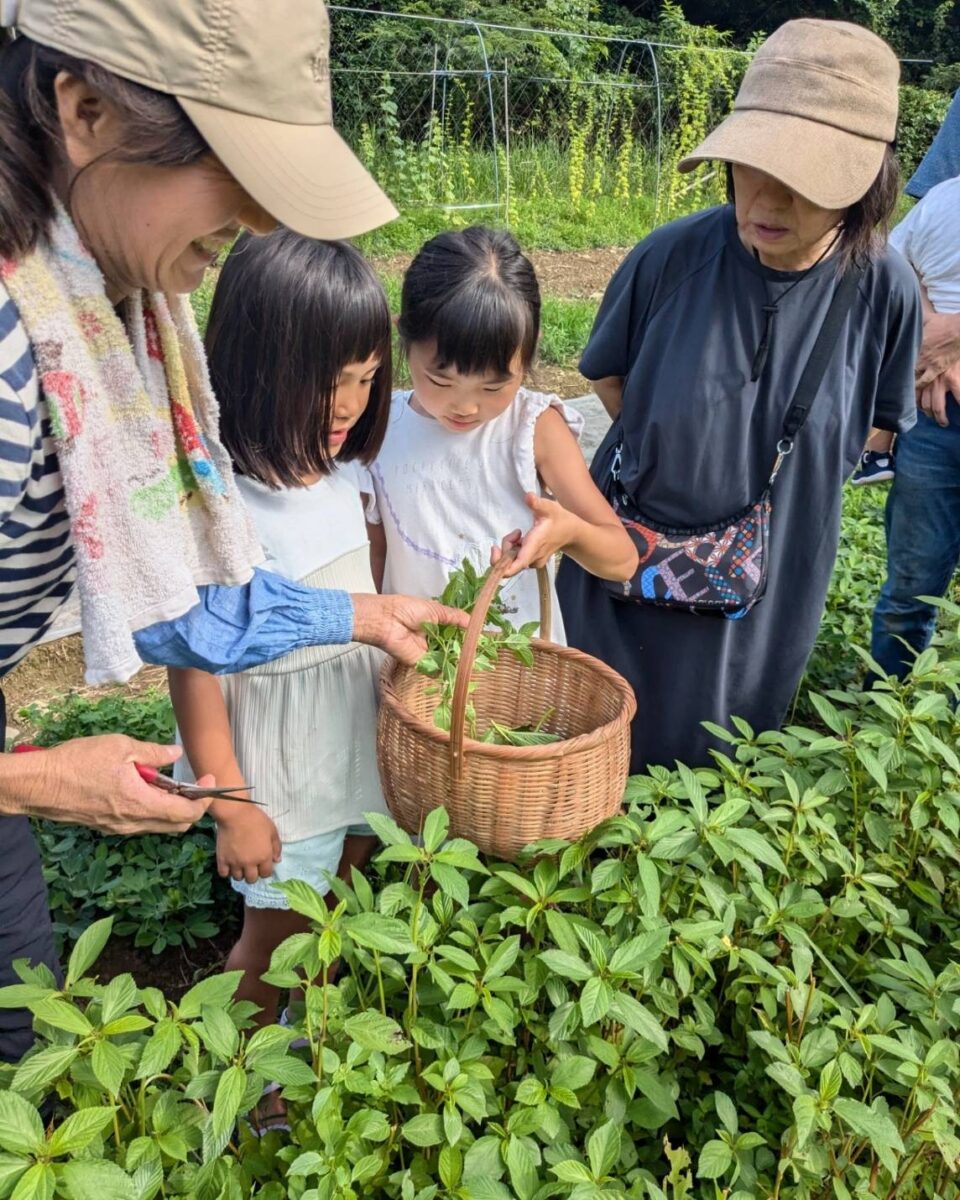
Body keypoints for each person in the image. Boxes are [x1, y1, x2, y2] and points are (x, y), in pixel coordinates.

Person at [0, 0, 465, 1065]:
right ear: (84, 109)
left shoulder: (102, 308)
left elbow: (190, 607)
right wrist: (37, 778)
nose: (259, 220)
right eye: (236, 166)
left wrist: (364, 611)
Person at [557, 18, 921, 773]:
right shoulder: (669, 257)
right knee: (588, 769)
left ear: (866, 184)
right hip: (628, 574)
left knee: (724, 779)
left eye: (805, 179)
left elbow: (879, 425)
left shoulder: (882, 290)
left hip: (766, 594)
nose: (767, 196)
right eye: (753, 163)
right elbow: (609, 377)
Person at [171, 230, 390, 1026]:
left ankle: (308, 1042)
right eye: (330, 382)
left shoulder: (345, 472)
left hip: (352, 742)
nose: (348, 405)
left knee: (334, 904)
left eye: (367, 379)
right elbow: (192, 667)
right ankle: (247, 1070)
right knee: (272, 936)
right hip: (278, 768)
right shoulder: (222, 505)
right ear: (258, 366)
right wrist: (230, 803)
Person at [361, 227, 637, 642]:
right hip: (416, 671)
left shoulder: (534, 427)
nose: (466, 406)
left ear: (527, 353)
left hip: (518, 678)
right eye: (440, 379)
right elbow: (375, 564)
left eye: (493, 387)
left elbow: (622, 559)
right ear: (403, 338)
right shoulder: (381, 428)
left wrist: (570, 533)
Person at [870, 175, 960, 677]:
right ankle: (885, 708)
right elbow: (893, 261)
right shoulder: (948, 196)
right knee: (911, 584)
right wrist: (929, 330)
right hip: (935, 419)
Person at [849, 87, 960, 487]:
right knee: (919, 546)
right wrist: (929, 329)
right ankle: (877, 447)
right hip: (935, 394)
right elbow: (916, 244)